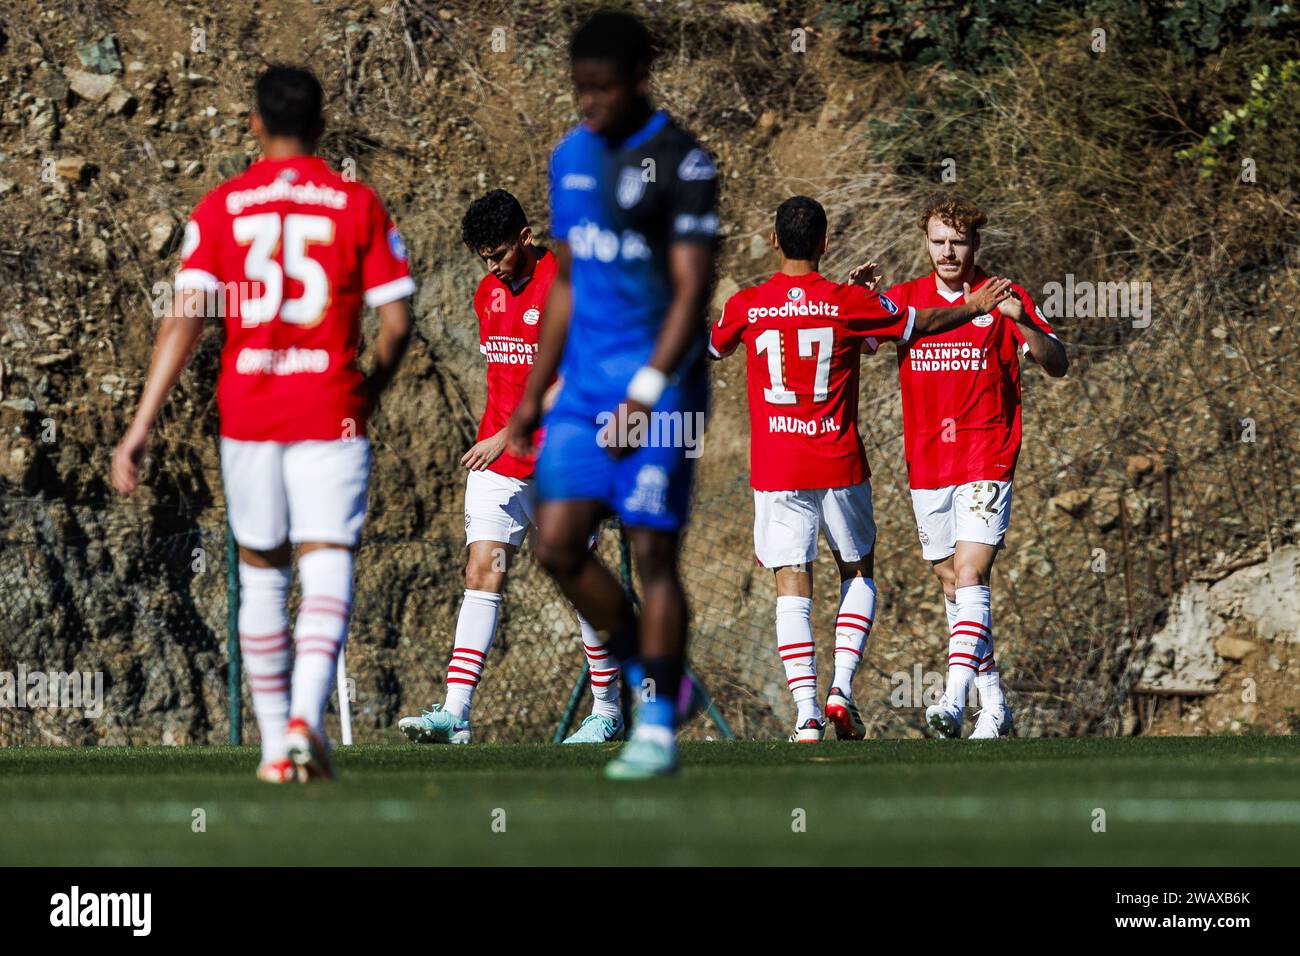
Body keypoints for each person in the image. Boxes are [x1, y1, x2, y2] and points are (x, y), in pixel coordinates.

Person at [111, 65, 415, 782]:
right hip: (330, 409)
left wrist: (140, 425)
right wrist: (367, 389)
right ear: (321, 125)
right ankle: (310, 714)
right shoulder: (356, 204)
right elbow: (396, 323)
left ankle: (279, 747)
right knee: (329, 556)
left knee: (262, 573)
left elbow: (185, 318)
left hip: (248, 412)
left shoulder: (222, 208)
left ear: (255, 123)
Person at [710, 196, 1014, 742]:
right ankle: (840, 690)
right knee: (857, 571)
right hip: (838, 460)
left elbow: (713, 347)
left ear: (775, 242)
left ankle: (805, 714)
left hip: (777, 465)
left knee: (791, 584)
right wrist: (974, 307)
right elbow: (918, 322)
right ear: (825, 243)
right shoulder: (848, 303)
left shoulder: (746, 306)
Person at [506, 10, 718, 778]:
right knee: (555, 544)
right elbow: (565, 276)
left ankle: (655, 728)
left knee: (651, 552)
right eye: (578, 90)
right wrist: (534, 392)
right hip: (583, 393)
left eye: (602, 89)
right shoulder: (571, 158)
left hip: (659, 394)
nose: (589, 103)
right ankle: (652, 673)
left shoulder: (681, 164)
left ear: (638, 78)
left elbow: (693, 293)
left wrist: (647, 390)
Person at [397, 190, 623, 746]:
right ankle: (456, 713)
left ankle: (608, 709)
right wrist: (502, 434)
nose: (491, 266)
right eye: (482, 257)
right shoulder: (486, 292)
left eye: (497, 253)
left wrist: (511, 432)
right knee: (482, 571)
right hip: (500, 462)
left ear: (526, 237)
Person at [879, 195, 1067, 739]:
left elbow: (1059, 362)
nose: (947, 252)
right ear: (926, 242)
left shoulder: (1004, 294)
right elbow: (862, 342)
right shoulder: (906, 301)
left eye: (958, 241)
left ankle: (951, 700)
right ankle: (994, 702)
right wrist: (861, 301)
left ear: (975, 243)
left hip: (988, 453)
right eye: (938, 241)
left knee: (971, 573)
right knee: (951, 584)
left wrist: (1022, 324)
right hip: (928, 461)